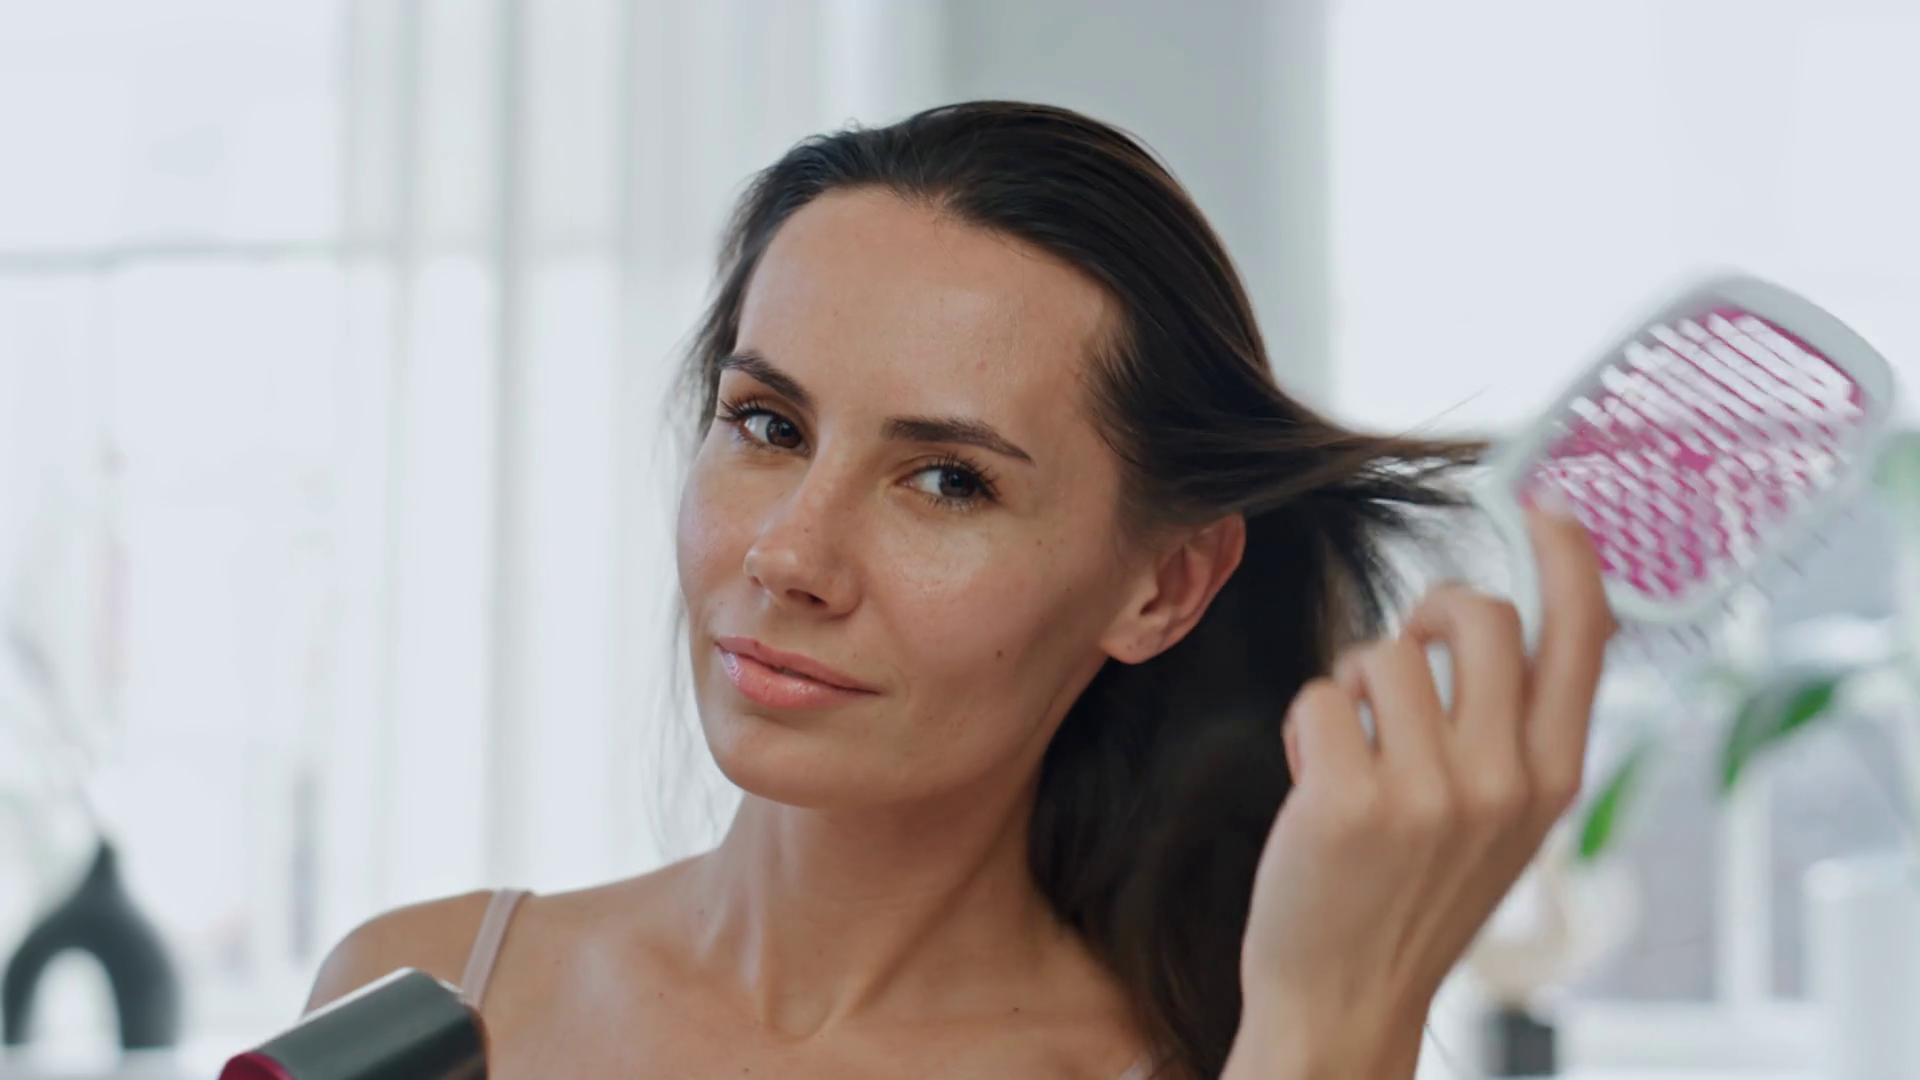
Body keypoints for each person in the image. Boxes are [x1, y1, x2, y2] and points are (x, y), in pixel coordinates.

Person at [306, 102, 1613, 1079]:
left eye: (947, 482)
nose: (789, 558)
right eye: (767, 425)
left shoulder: (1248, 1058)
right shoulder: (424, 1002)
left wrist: (1336, 1031)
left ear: (1163, 586)